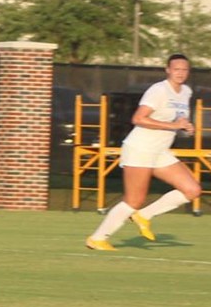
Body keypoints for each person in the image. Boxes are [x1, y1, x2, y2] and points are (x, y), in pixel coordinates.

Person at [85, 53, 204, 251]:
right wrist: (173, 125)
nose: (180, 73)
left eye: (184, 69)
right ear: (168, 70)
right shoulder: (158, 90)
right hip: (140, 148)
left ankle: (144, 215)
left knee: (192, 190)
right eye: (176, 69)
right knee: (134, 200)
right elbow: (138, 119)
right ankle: (97, 238)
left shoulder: (186, 92)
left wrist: (185, 126)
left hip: (160, 150)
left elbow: (177, 120)